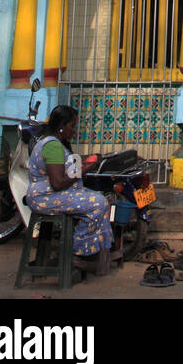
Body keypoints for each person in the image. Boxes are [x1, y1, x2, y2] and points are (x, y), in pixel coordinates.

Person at [25, 104, 115, 273]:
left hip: (52, 195)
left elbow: (65, 169)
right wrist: (84, 169)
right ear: (61, 126)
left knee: (101, 198)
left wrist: (85, 162)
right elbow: (58, 183)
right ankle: (77, 252)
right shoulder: (52, 146)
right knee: (99, 203)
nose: (73, 130)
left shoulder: (57, 144)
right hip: (45, 197)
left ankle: (89, 252)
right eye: (72, 126)